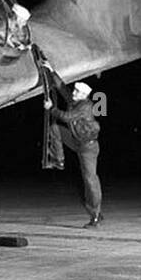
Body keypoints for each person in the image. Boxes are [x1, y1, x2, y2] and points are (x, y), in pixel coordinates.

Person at [42, 63, 103, 228]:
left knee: (90, 180)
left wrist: (51, 108)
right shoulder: (75, 100)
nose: (73, 93)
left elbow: (67, 117)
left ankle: (95, 215)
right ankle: (59, 159)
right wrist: (50, 69)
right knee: (54, 127)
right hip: (76, 141)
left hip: (88, 148)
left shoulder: (85, 106)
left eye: (77, 92)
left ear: (84, 95)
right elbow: (62, 87)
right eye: (75, 91)